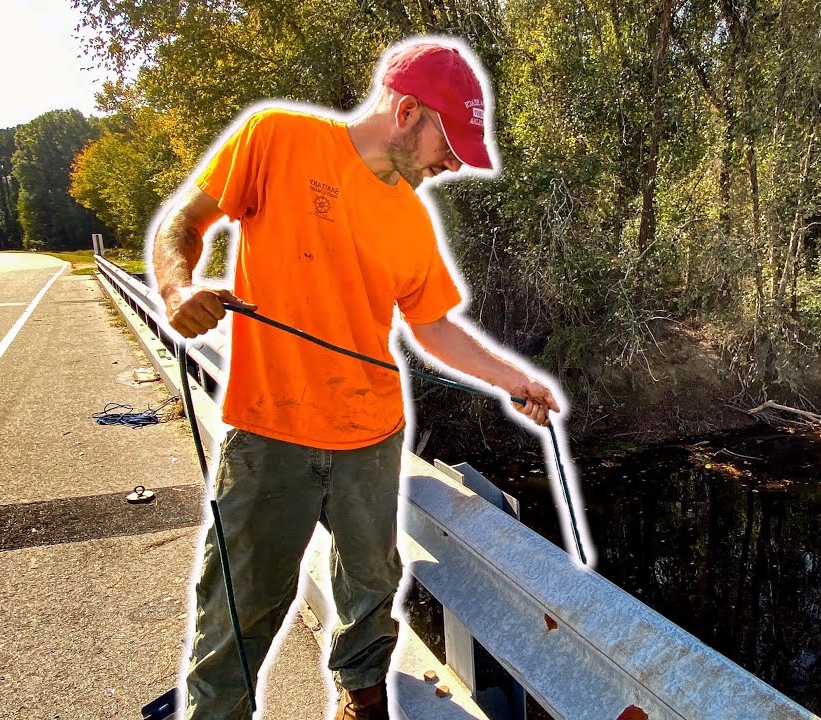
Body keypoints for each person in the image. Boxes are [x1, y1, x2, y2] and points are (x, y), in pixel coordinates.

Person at [150, 39, 560, 720]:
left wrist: (512, 379)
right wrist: (175, 291)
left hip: (371, 440)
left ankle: (362, 704)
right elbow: (183, 225)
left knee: (371, 599)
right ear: (405, 111)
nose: (451, 163)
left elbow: (433, 328)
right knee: (237, 616)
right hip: (268, 431)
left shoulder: (411, 217)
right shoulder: (276, 137)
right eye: (447, 144)